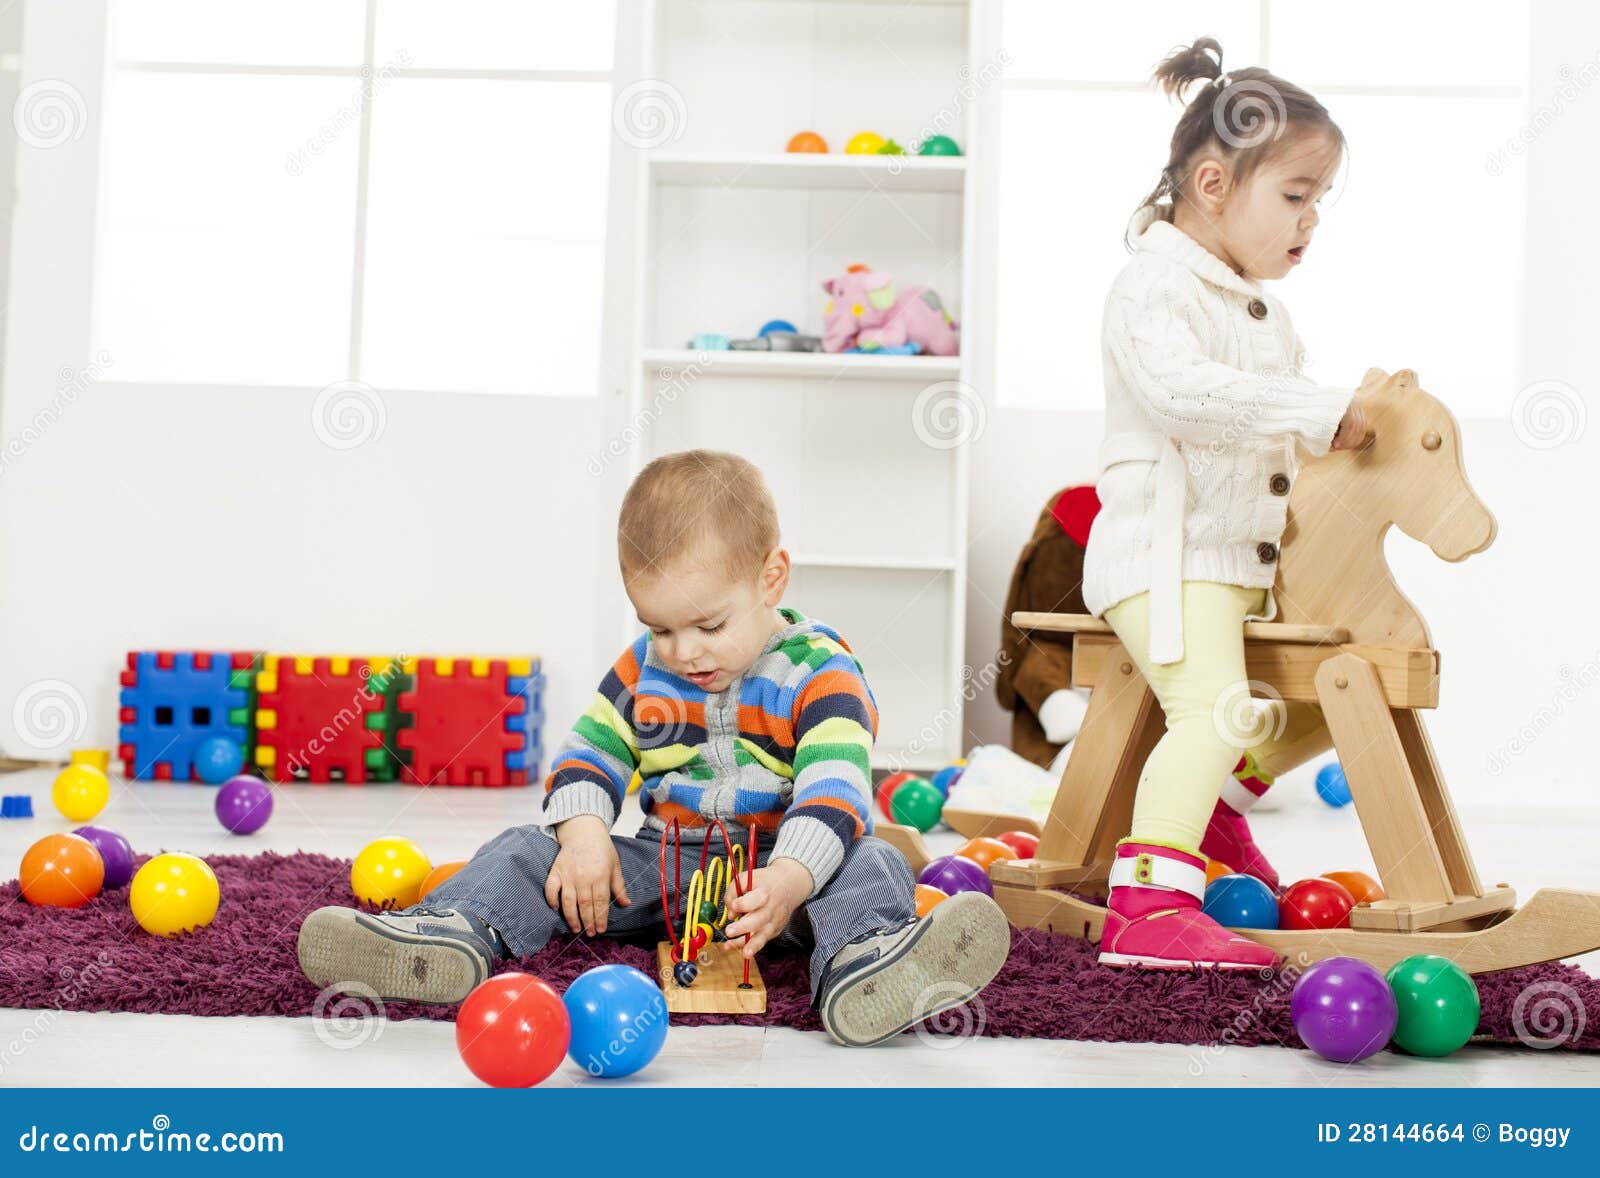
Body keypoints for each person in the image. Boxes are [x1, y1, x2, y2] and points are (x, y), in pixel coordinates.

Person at [298, 449, 1010, 1045]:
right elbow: (587, 758)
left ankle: (863, 964)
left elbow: (837, 791)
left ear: (771, 578)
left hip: (783, 881)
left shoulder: (821, 672)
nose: (683, 651)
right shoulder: (646, 669)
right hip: (665, 872)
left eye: (706, 625)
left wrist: (791, 879)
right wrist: (583, 839)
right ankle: (447, 934)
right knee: (525, 847)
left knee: (874, 858)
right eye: (660, 627)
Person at [1081, 38, 1369, 970]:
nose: (1312, 220)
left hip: (1237, 566)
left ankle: (1206, 819)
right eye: (1295, 196)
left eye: (1321, 200)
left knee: (1334, 693)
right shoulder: (1152, 287)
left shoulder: (1264, 310)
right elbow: (1185, 398)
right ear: (1212, 183)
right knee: (1212, 710)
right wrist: (1324, 412)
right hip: (1164, 565)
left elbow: (1280, 443)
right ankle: (1149, 910)